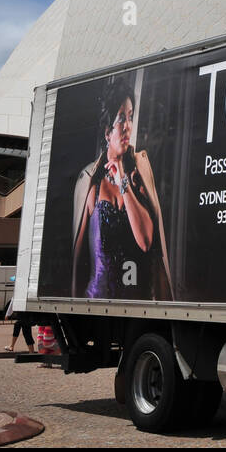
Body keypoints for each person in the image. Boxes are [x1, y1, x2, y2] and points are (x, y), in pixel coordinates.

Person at [72, 77, 173, 300]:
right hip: (96, 301)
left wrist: (123, 182)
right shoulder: (92, 184)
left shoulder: (139, 177)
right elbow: (78, 263)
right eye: (121, 119)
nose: (127, 126)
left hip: (139, 301)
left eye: (130, 117)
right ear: (108, 132)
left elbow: (146, 242)